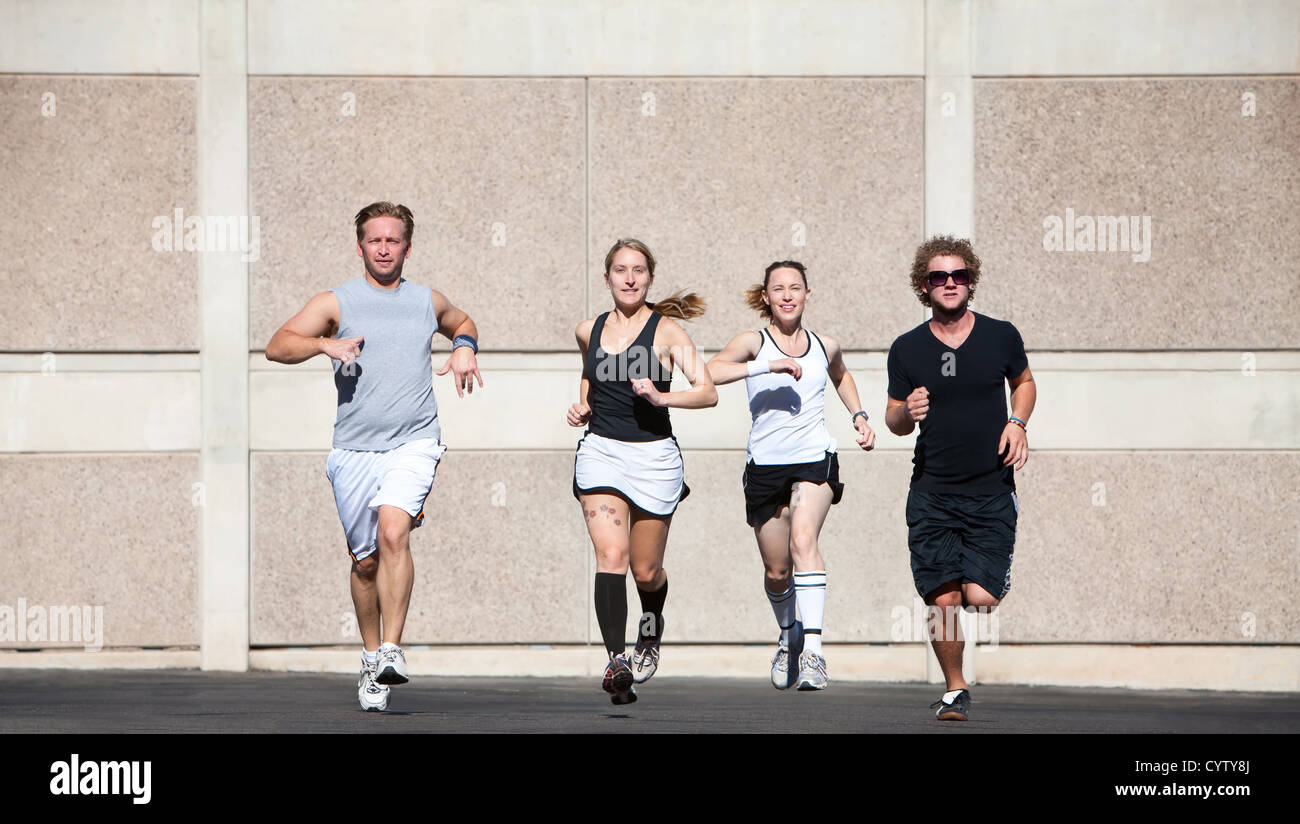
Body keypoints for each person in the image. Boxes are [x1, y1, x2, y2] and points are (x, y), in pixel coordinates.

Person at [265, 202, 483, 712]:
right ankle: (369, 657)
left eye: (394, 240)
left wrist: (466, 345)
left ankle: (392, 649)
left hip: (414, 439)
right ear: (360, 245)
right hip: (354, 449)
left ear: (408, 246)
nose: (384, 248)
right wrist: (325, 345)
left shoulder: (427, 300)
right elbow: (278, 346)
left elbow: (462, 320)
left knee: (393, 532)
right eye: (374, 240)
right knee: (364, 564)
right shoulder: (337, 300)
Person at [884, 235, 1035, 721]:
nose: (949, 284)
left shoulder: (1000, 336)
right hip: (932, 492)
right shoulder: (907, 348)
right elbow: (893, 418)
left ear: (970, 281)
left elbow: (1025, 384)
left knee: (981, 599)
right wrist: (907, 411)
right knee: (943, 597)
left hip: (991, 490)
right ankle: (955, 688)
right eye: (938, 277)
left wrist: (1018, 423)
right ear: (923, 287)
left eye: (958, 276)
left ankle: (990, 581)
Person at [707, 261, 875, 691]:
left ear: (807, 294)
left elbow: (841, 375)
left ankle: (815, 654)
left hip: (813, 460)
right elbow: (707, 374)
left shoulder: (825, 345)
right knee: (778, 571)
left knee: (805, 540)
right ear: (766, 297)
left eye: (795, 287)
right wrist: (766, 366)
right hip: (764, 466)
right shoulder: (753, 342)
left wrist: (858, 415)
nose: (787, 295)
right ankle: (789, 636)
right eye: (778, 289)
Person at [568, 238, 717, 705]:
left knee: (645, 569)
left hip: (654, 457)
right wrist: (583, 407)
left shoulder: (668, 332)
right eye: (620, 270)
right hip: (602, 454)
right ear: (607, 277)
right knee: (610, 556)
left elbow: (708, 391)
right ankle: (616, 662)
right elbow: (590, 376)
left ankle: (649, 630)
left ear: (650, 278)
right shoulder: (587, 330)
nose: (629, 278)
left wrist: (661, 397)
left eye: (638, 271)